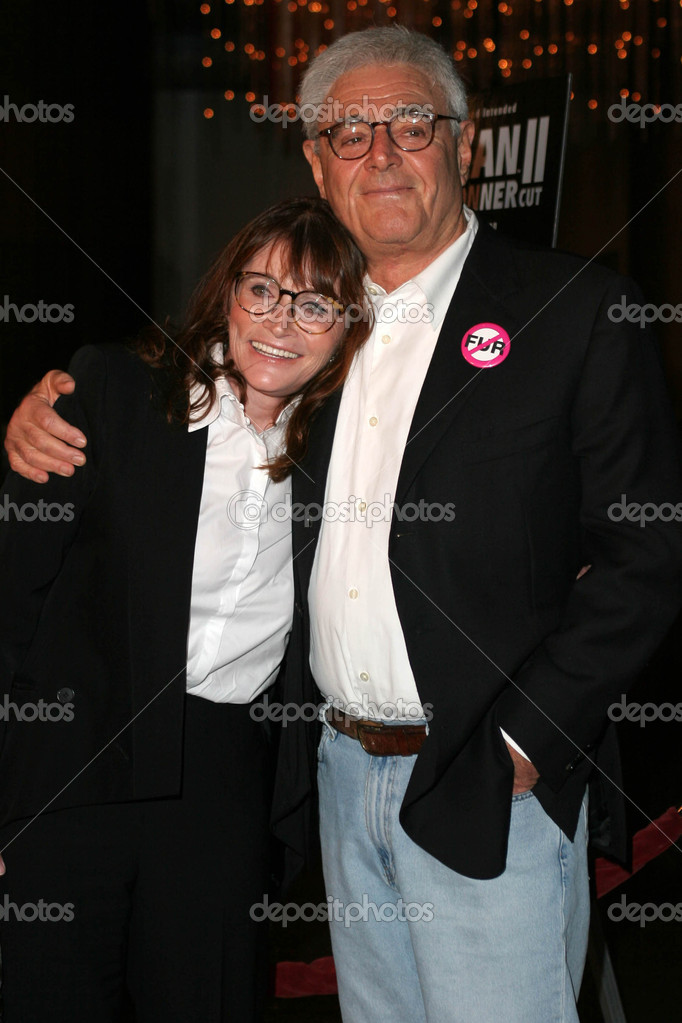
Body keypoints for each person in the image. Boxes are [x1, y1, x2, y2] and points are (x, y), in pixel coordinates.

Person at [6, 26, 682, 1023]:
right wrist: (39, 412)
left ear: (468, 149)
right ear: (318, 165)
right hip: (326, 772)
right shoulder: (306, 339)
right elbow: (164, 434)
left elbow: (647, 551)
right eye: (348, 132)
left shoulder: (574, 313)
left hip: (481, 781)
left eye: (412, 124)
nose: (381, 152)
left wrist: (521, 742)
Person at [0, 195, 370, 1023]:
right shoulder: (114, 392)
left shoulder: (344, 454)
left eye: (314, 303)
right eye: (262, 290)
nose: (281, 320)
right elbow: (10, 592)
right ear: (227, 294)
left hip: (221, 783)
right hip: (71, 763)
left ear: (346, 326)